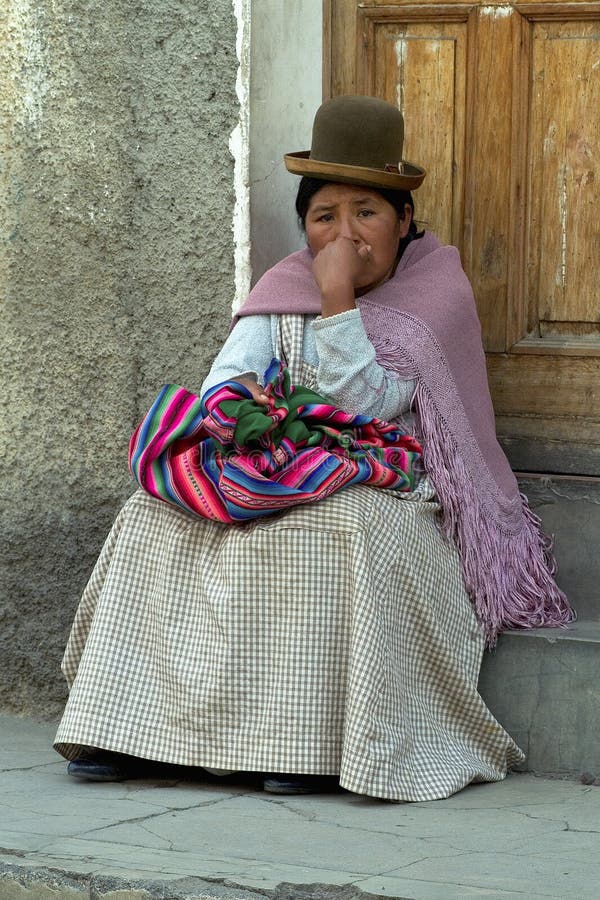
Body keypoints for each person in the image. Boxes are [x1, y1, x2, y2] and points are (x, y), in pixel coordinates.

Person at [54, 95, 574, 802]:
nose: (345, 234)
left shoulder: (437, 294)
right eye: (324, 217)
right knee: (152, 515)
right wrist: (252, 423)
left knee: (338, 524)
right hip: (287, 471)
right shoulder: (284, 285)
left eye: (367, 212)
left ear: (404, 221)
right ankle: (126, 729)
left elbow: (366, 405)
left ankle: (308, 745)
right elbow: (224, 390)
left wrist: (337, 306)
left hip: (392, 490)